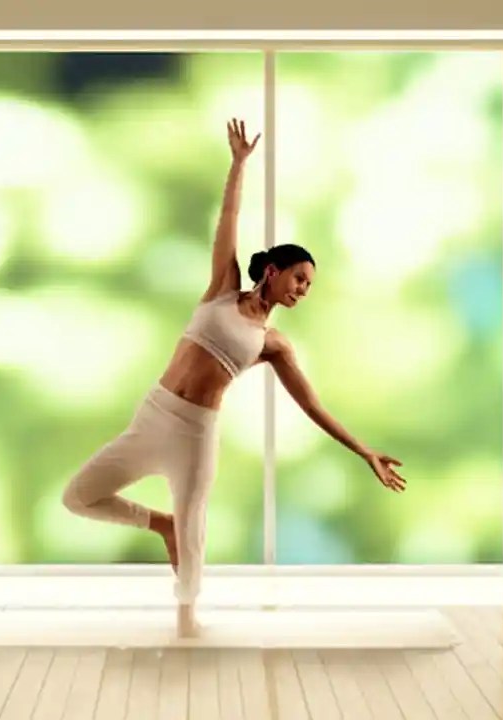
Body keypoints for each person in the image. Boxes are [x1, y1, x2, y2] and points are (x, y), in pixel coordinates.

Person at [62, 118, 406, 638]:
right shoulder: (223, 289)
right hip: (153, 415)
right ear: (273, 270)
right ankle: (161, 527)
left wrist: (365, 452)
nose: (303, 290)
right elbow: (229, 214)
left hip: (195, 435)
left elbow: (312, 407)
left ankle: (185, 625)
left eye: (309, 287)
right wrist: (239, 163)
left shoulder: (273, 345)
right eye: (299, 278)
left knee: (195, 537)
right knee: (79, 496)